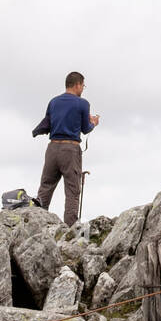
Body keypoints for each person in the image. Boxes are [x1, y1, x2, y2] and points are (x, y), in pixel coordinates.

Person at [33, 72, 99, 225]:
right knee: (72, 191)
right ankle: (70, 231)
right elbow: (85, 128)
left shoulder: (53, 102)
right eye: (83, 85)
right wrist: (94, 122)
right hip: (70, 149)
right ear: (77, 84)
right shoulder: (82, 103)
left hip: (52, 149)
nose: (83, 88)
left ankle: (38, 225)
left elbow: (49, 122)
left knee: (45, 188)